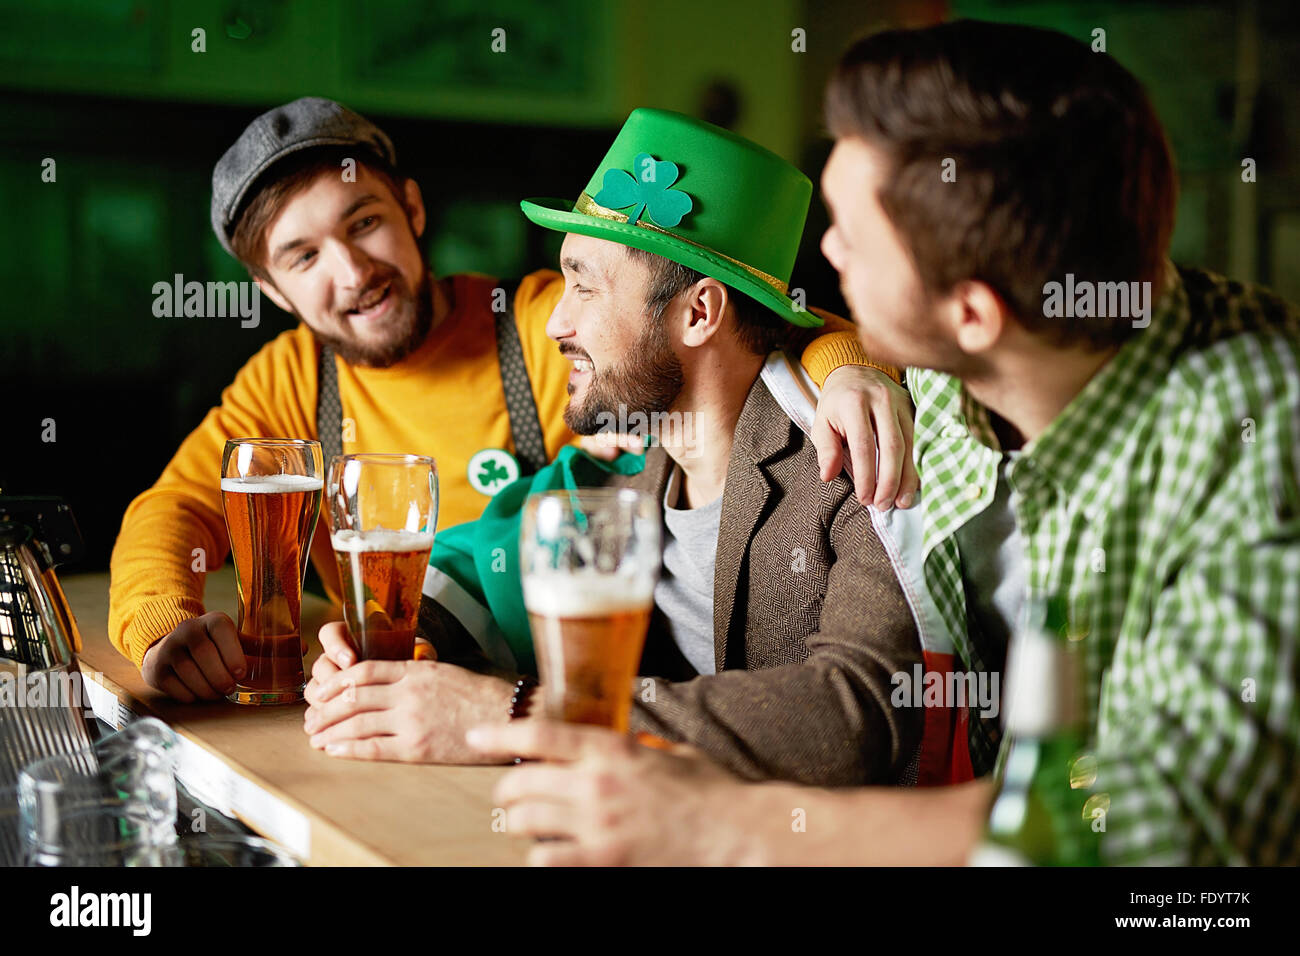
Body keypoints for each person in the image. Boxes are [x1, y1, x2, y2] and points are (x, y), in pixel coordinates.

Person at [466, 20, 1300, 866]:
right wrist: (844, 362)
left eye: (852, 241)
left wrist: (712, 825)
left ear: (972, 316)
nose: (823, 256)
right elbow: (776, 329)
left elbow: (1165, 828)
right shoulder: (992, 345)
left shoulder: (1263, 438)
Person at [109, 97, 917, 703]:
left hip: (546, 701)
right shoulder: (282, 383)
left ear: (414, 211)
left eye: (364, 224)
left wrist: (847, 371)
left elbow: (745, 331)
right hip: (429, 691)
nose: (351, 272)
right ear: (271, 289)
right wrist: (163, 626)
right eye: (304, 255)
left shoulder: (533, 323)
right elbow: (173, 507)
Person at [302, 109, 943, 788]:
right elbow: (494, 558)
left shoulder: (858, 457)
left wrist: (522, 713)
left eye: (584, 285)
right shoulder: (631, 462)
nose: (555, 322)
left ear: (699, 313)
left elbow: (851, 721)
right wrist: (406, 639)